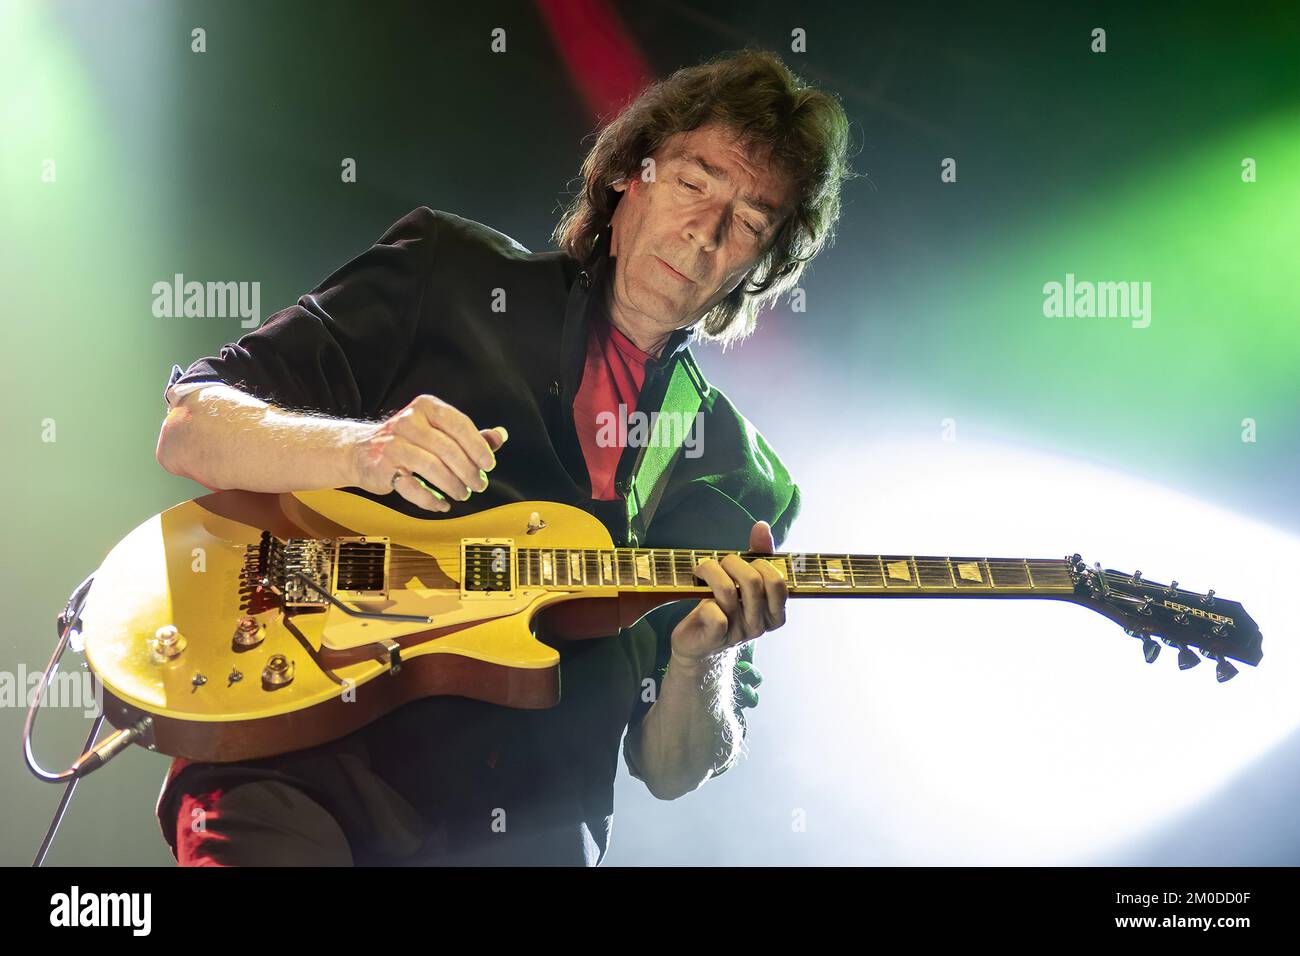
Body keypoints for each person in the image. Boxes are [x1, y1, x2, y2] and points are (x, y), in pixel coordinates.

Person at [152, 48, 852, 865]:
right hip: (306, 758)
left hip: (531, 832)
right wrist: (362, 448)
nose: (705, 233)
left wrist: (705, 661)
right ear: (632, 172)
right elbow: (192, 424)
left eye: (749, 223)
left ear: (761, 266)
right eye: (696, 183)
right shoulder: (450, 273)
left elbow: (671, 772)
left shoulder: (744, 477)